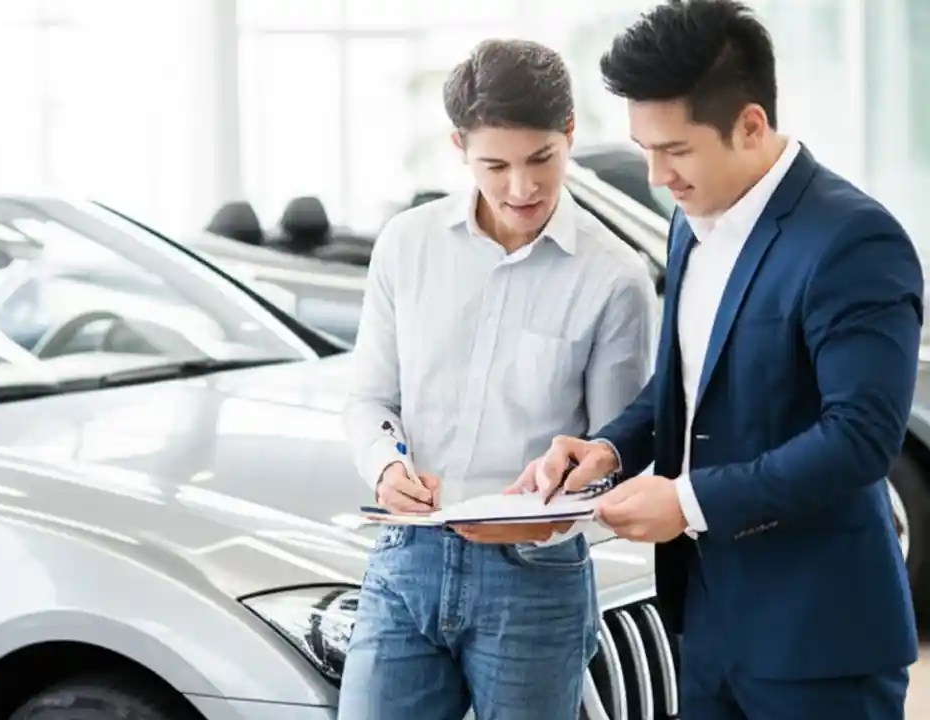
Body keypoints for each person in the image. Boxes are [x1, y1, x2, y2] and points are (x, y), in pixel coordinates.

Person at [519, 2, 922, 717]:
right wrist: (610, 449)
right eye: (644, 149)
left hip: (819, 638)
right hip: (705, 626)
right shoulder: (689, 221)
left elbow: (860, 439)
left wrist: (686, 502)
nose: (655, 175)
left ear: (751, 126)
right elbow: (687, 383)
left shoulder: (854, 240)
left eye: (674, 151)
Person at [338, 38, 657, 719]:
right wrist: (384, 466)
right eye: (495, 165)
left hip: (535, 582)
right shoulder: (407, 244)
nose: (522, 188)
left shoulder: (616, 279)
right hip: (406, 558)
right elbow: (370, 397)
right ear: (459, 145)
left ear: (570, 133)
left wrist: (544, 516)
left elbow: (615, 454)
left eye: (542, 159)